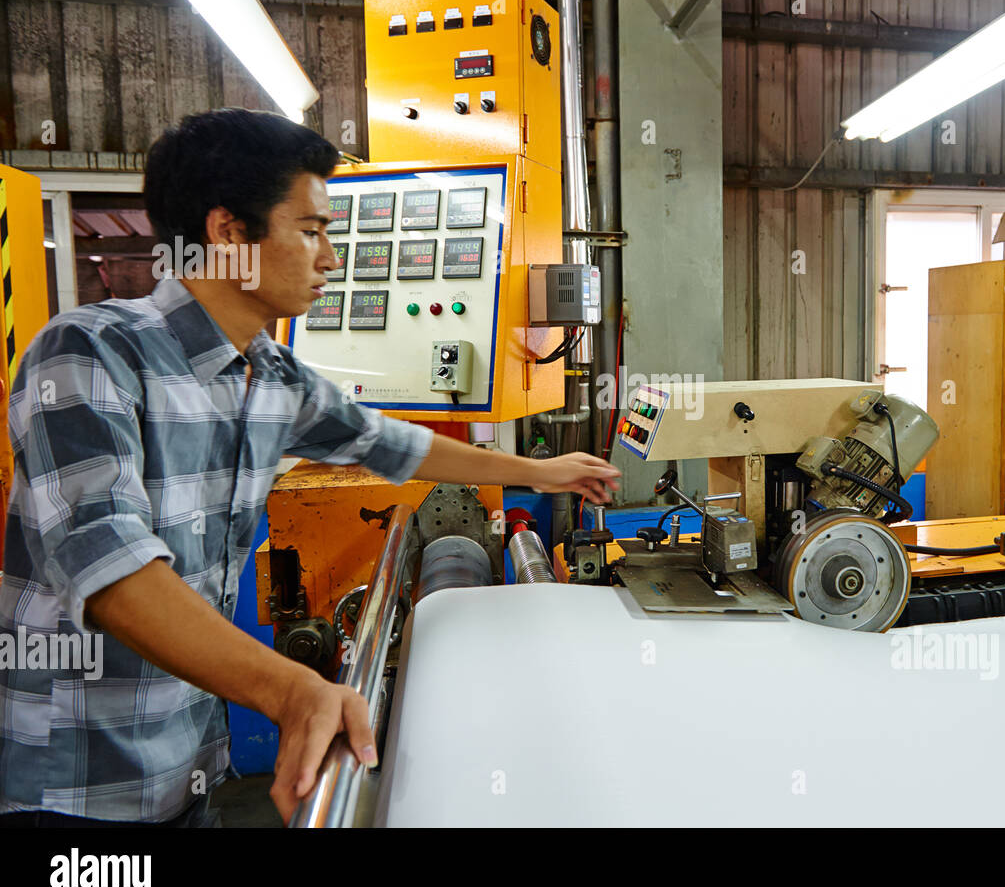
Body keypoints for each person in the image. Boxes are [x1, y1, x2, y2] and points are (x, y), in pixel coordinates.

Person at [0, 108, 620, 827]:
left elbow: (388, 441)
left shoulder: (269, 373)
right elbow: (109, 568)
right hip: (71, 790)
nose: (330, 258)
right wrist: (292, 691)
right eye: (311, 230)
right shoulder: (90, 353)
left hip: (191, 766)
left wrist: (541, 472)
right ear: (229, 234)